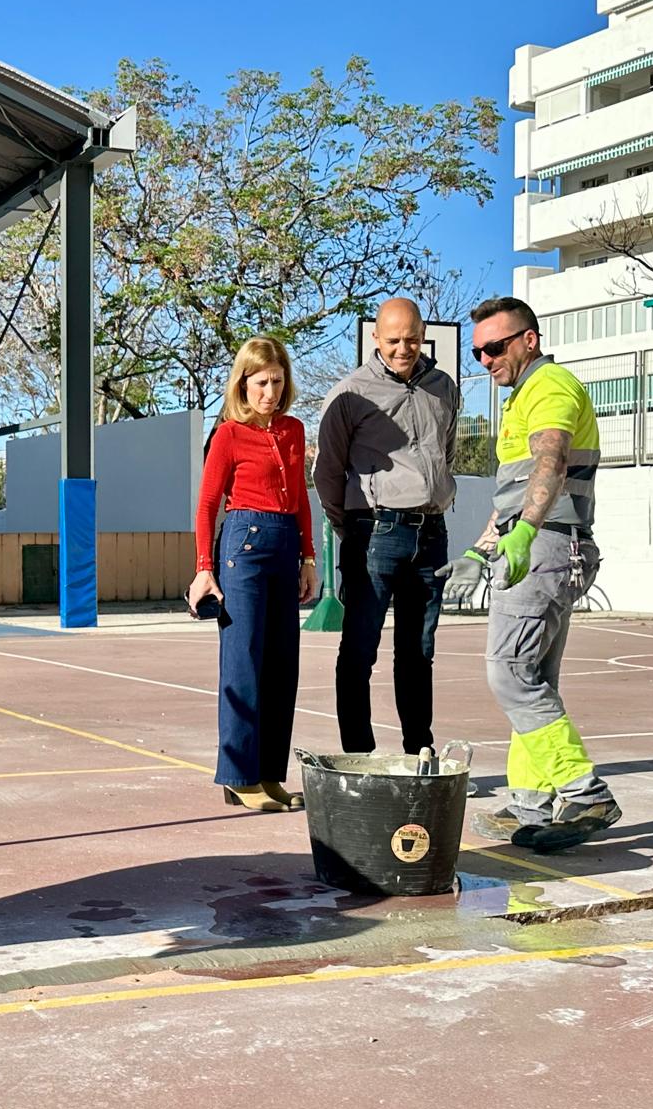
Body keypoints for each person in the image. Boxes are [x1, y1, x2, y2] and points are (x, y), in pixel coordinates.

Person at [440, 295, 621, 853]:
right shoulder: (520, 398)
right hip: (544, 544)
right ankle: (529, 802)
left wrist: (522, 536)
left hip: (545, 546)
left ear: (529, 340)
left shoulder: (549, 387)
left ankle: (582, 789)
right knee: (533, 680)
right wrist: (480, 548)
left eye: (494, 347)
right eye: (477, 352)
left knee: (510, 674)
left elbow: (551, 462)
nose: (485, 359)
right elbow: (517, 492)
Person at [314, 297, 461, 755]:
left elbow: (446, 453)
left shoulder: (444, 387)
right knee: (360, 649)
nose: (404, 348)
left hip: (431, 535)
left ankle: (420, 750)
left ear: (424, 335)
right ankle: (359, 755)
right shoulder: (350, 394)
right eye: (394, 340)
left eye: (413, 339)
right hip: (373, 532)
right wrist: (352, 528)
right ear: (375, 338)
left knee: (419, 651)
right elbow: (328, 472)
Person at [188, 337, 320, 812]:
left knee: (282, 664)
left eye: (277, 381)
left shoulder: (294, 430)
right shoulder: (227, 435)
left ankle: (268, 775)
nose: (270, 391)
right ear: (243, 385)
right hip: (243, 545)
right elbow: (206, 505)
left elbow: (302, 499)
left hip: (285, 545)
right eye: (260, 382)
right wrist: (205, 568)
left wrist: (308, 558)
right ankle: (238, 775)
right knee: (243, 661)